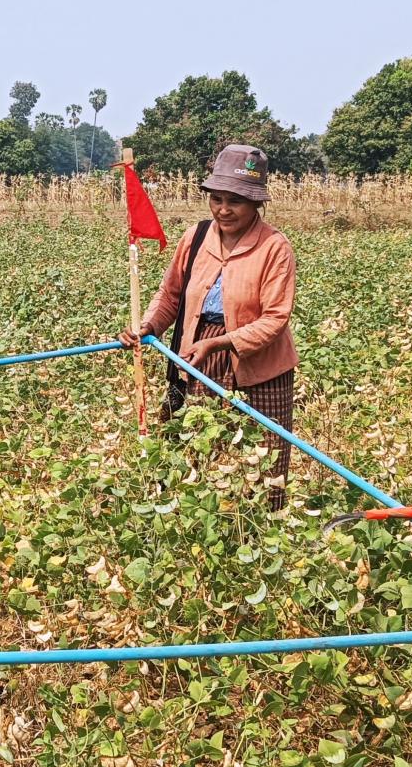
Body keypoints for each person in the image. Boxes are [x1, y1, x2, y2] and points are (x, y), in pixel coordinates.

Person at [121, 144, 299, 509]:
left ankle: (261, 533)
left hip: (258, 365)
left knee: (265, 462)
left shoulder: (274, 247)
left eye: (235, 201)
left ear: (256, 204)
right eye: (216, 199)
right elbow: (170, 295)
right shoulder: (196, 237)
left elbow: (275, 318)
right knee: (200, 448)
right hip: (197, 355)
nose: (223, 209)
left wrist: (222, 344)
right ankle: (200, 524)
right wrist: (146, 326)